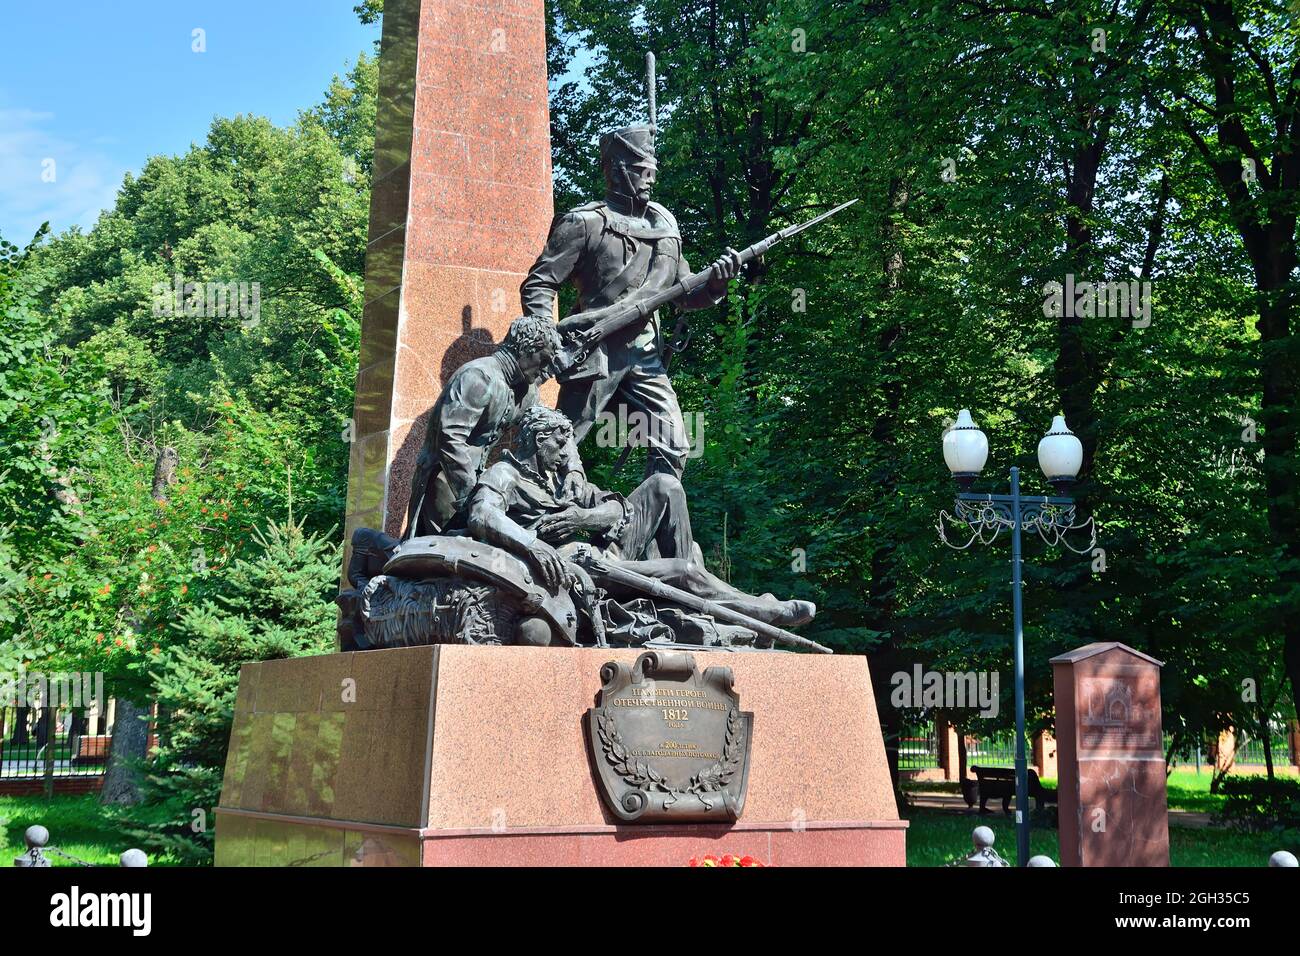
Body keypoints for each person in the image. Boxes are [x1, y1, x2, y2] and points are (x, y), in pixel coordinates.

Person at [520, 123, 741, 478]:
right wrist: (545, 338)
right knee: (557, 448)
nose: (650, 179)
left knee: (674, 446)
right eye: (643, 171)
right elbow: (540, 283)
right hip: (593, 350)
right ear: (619, 169)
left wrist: (716, 285)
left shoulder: (665, 229)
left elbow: (684, 294)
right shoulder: (585, 223)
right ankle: (521, 510)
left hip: (645, 356)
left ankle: (648, 528)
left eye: (653, 172)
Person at [465, 406, 814, 629]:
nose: (567, 455)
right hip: (575, 570)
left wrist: (583, 519)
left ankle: (703, 606)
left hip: (602, 553)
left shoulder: (562, 478)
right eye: (561, 445)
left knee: (665, 485)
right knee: (682, 569)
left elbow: (617, 507)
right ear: (540, 440)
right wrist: (533, 545)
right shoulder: (505, 474)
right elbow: (481, 514)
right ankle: (759, 612)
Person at [403, 315, 561, 538]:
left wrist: (571, 470)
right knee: (446, 551)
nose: (545, 371)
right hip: (446, 480)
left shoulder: (526, 391)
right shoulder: (477, 376)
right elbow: (450, 440)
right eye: (543, 360)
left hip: (480, 486)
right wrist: (472, 494)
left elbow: (546, 429)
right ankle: (370, 546)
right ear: (526, 348)